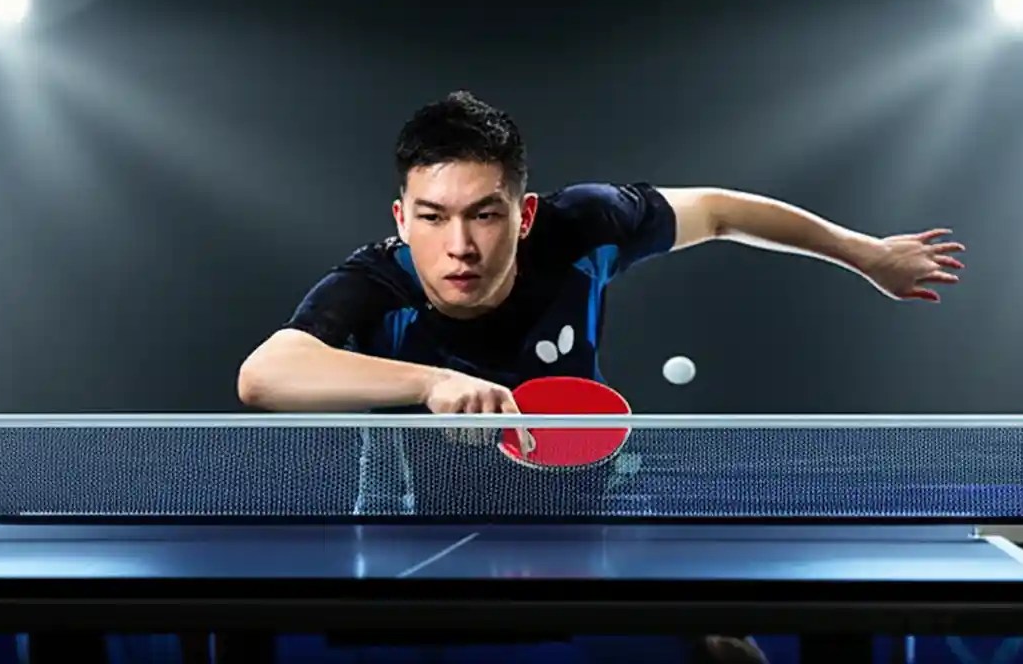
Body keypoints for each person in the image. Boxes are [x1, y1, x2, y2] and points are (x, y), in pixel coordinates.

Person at [234, 90, 965, 663]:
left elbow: (715, 210)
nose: (458, 246)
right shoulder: (373, 283)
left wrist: (864, 252)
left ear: (522, 214)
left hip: (581, 529)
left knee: (723, 652)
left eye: (483, 215)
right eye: (432, 217)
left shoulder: (584, 226)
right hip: (414, 549)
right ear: (402, 216)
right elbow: (265, 375)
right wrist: (426, 383)